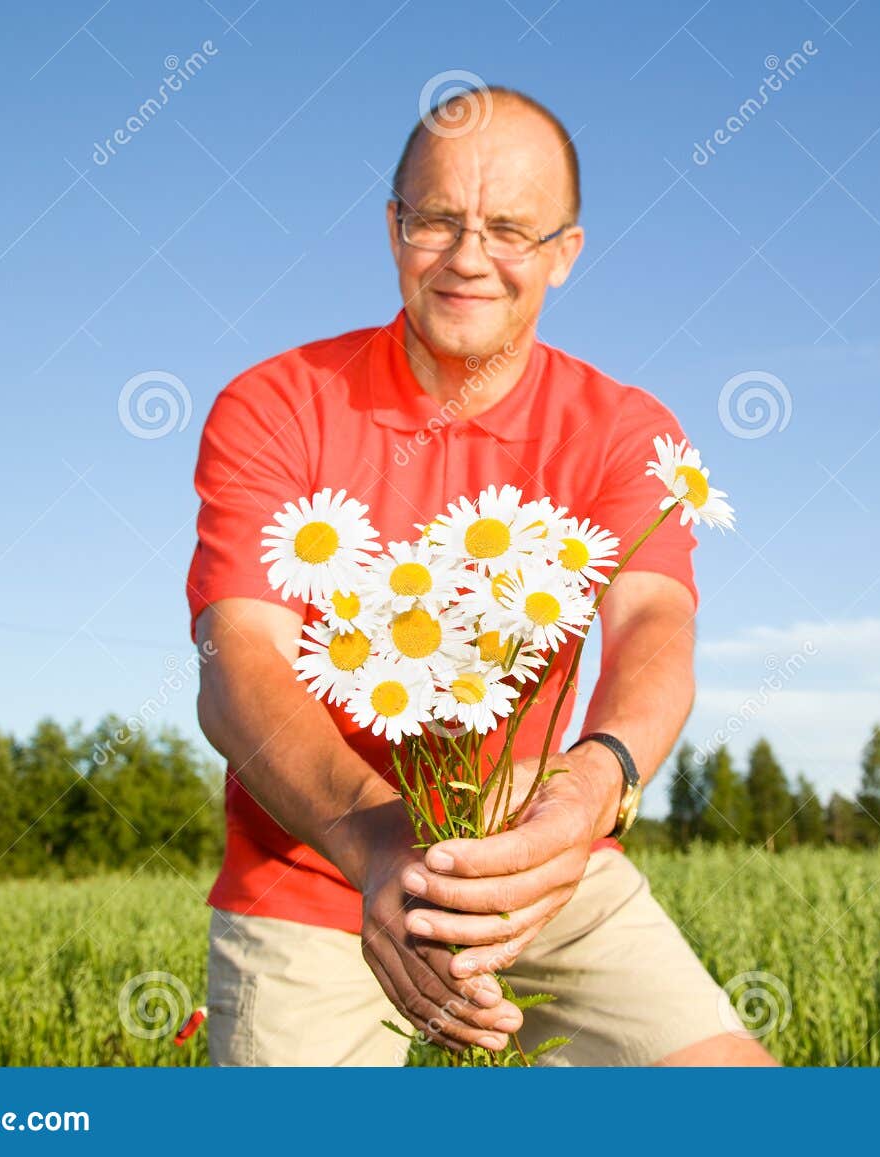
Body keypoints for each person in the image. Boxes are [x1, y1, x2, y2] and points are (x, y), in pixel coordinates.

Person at [188, 84, 775, 1066]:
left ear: (563, 251)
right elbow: (237, 660)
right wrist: (377, 844)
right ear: (391, 227)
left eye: (509, 227)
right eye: (436, 220)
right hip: (315, 871)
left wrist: (597, 784)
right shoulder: (274, 405)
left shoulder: (625, 430)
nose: (468, 257)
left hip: (543, 858)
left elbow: (654, 628)